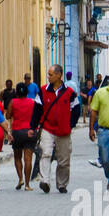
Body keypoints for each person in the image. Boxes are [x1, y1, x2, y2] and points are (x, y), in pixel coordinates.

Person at [36, 66, 76, 194]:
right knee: (45, 153)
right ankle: (45, 181)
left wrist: (70, 125)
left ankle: (62, 184)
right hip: (48, 128)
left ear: (59, 75)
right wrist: (33, 126)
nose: (49, 77)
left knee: (63, 159)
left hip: (64, 130)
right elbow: (37, 109)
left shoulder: (70, 92)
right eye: (48, 75)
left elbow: (76, 109)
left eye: (51, 75)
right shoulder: (42, 91)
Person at [8, 83, 40, 190]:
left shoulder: (13, 102)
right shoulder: (32, 102)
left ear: (16, 92)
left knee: (17, 157)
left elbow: (8, 115)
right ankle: (27, 184)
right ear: (27, 92)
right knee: (28, 159)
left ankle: (20, 179)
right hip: (30, 132)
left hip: (17, 132)